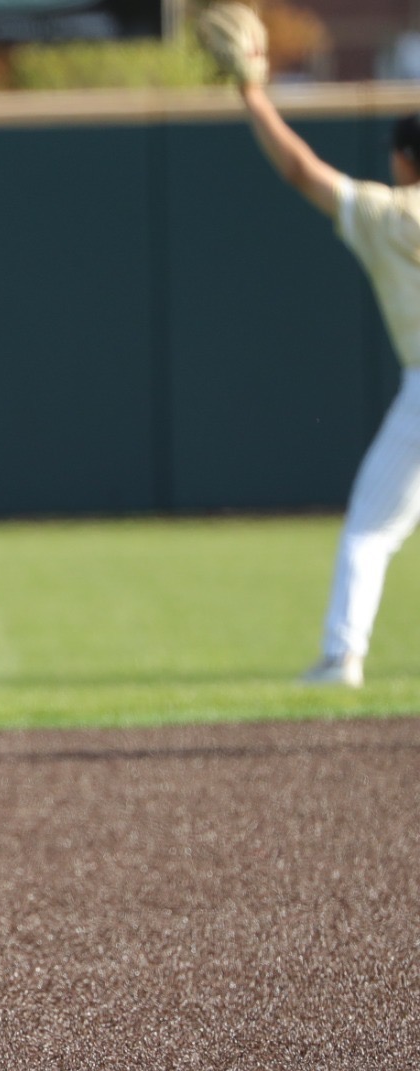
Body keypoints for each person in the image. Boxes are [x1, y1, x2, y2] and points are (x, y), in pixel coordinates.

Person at [235, 74, 420, 687]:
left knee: (370, 529)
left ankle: (342, 656)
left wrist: (253, 94)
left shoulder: (388, 213)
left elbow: (301, 170)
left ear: (404, 159)